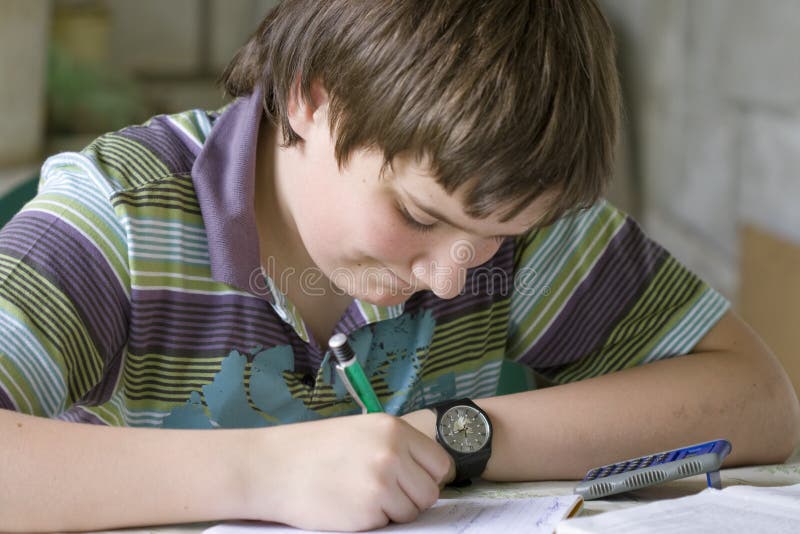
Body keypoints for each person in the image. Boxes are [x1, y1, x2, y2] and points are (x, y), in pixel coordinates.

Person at [1, 0, 798, 531]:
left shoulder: (502, 210)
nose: (455, 278)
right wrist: (259, 471)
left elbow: (759, 398)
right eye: (419, 216)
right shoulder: (118, 217)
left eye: (495, 237)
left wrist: (460, 435)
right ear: (313, 100)